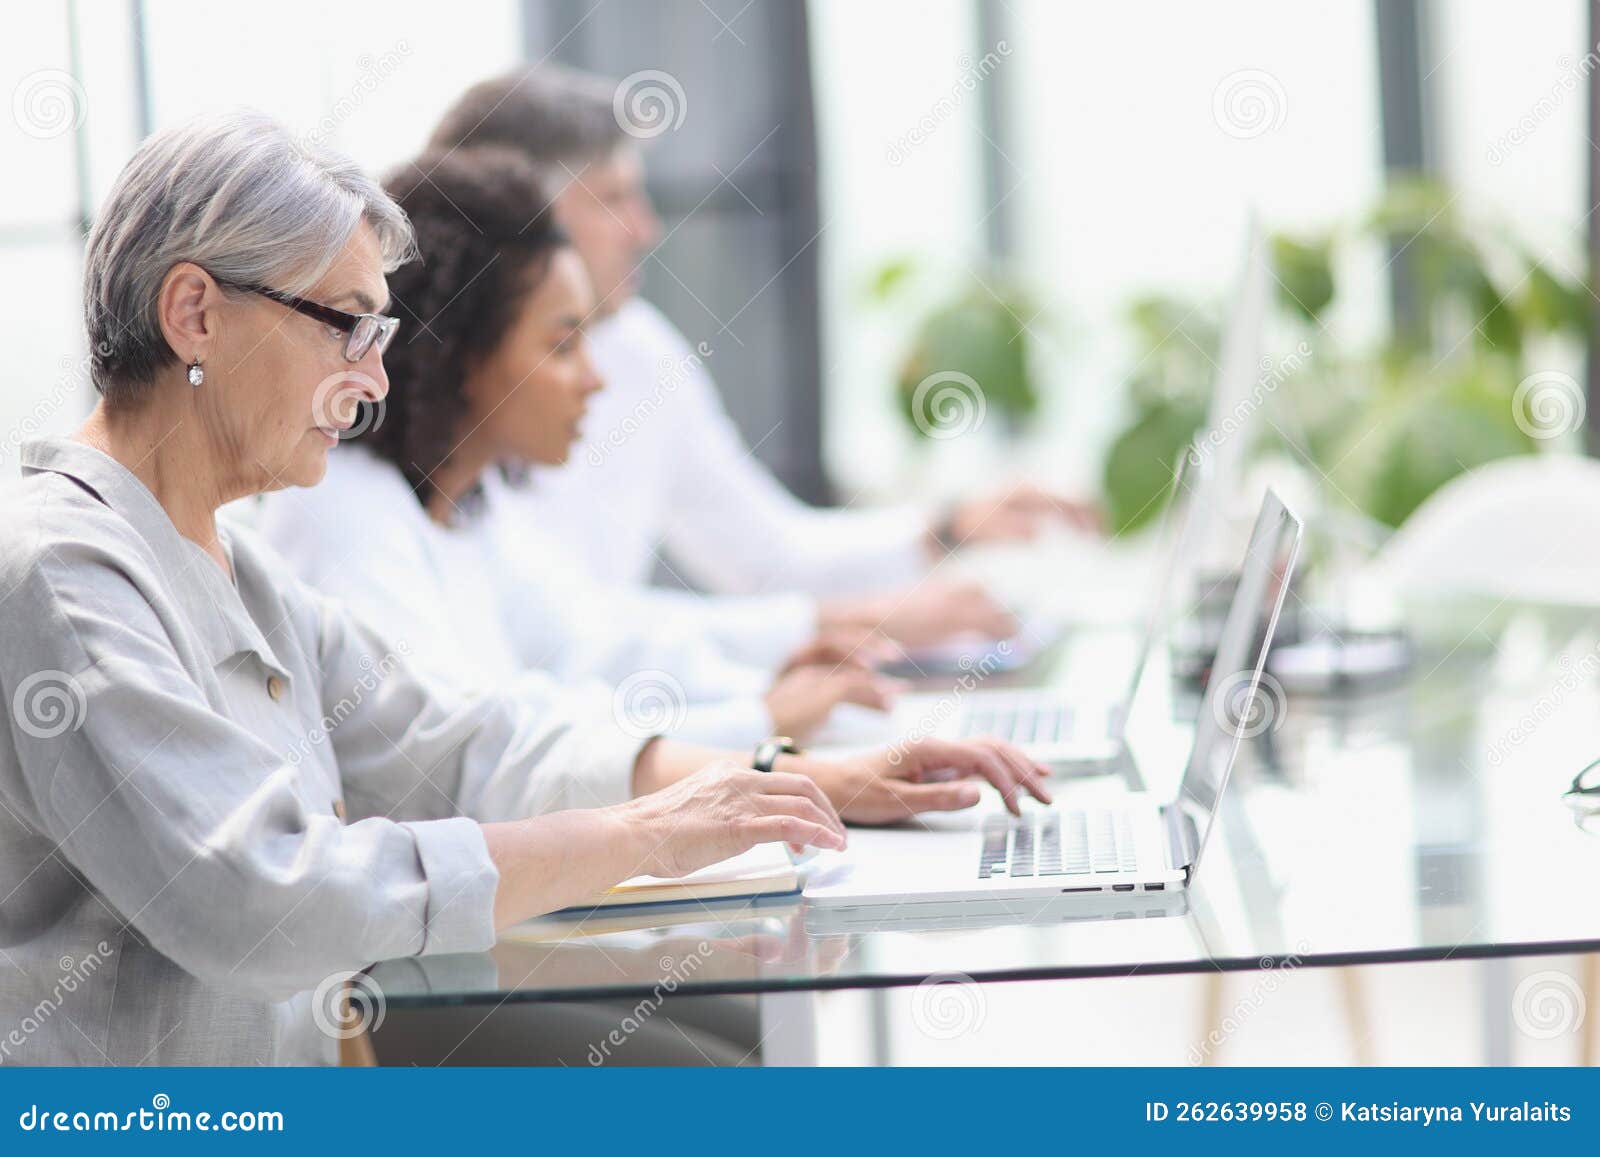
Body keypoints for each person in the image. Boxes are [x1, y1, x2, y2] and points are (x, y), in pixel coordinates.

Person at [0, 110, 1051, 1066]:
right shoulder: (64, 573)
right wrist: (646, 832)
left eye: (382, 338)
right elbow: (260, 895)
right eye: (346, 326)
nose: (372, 378)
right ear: (195, 312)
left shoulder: (239, 572)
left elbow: (468, 745)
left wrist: (793, 772)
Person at [425, 65, 1099, 665]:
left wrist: (949, 527)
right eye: (612, 197)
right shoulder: (438, 402)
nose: (646, 229)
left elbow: (765, 555)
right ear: (511, 217)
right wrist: (836, 624)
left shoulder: (638, 350)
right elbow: (563, 632)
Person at [254, 146, 898, 746]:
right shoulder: (346, 513)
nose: (594, 379)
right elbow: (477, 750)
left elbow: (591, 640)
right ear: (463, 358)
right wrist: (759, 718)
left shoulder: (465, 505)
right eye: (562, 345)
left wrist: (772, 674)